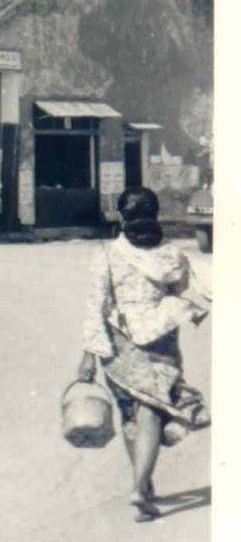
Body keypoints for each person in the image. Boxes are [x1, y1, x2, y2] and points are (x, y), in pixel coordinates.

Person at [76, 187, 211, 522]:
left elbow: (97, 306)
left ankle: (143, 482)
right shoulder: (171, 255)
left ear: (122, 216)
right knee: (151, 410)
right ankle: (140, 488)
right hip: (160, 342)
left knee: (131, 414)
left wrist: (89, 354)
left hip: (118, 343)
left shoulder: (107, 253)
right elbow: (180, 292)